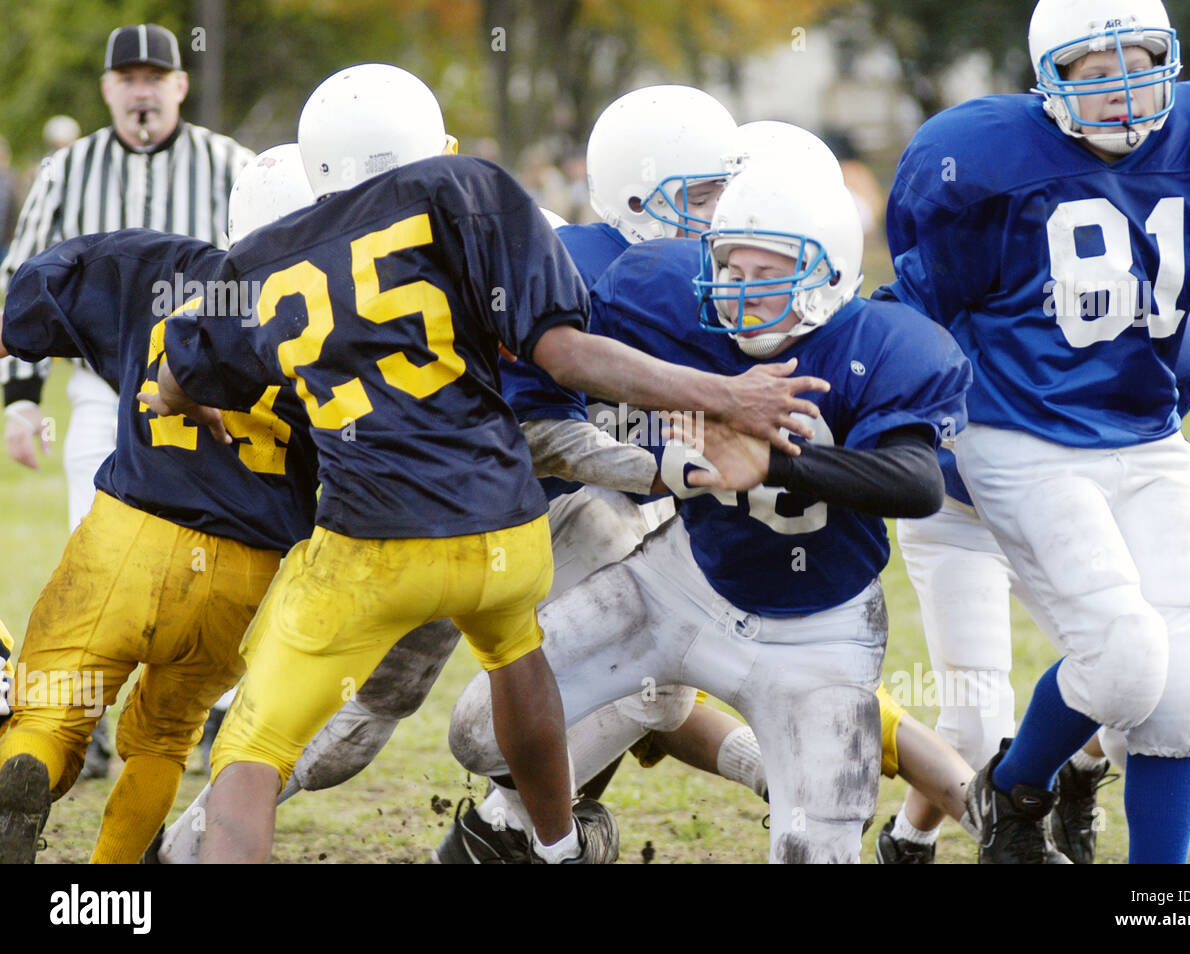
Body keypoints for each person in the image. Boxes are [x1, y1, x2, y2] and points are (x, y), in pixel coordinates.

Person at [142, 64, 830, 864]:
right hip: (500, 525)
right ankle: (558, 848)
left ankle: (184, 855)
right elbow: (565, 357)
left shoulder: (264, 255)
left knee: (253, 745)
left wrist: (180, 399)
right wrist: (722, 398)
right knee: (522, 666)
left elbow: (177, 375)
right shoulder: (471, 194)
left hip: (375, 538)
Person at [445, 157, 971, 863]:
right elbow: (553, 334)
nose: (742, 293)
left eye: (770, 273)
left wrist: (778, 460)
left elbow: (916, 483)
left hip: (822, 631)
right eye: (732, 269)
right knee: (478, 730)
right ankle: (553, 825)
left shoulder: (884, 343)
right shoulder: (660, 296)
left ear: (832, 275)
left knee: (816, 852)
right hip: (680, 583)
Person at [885, 0, 1190, 863]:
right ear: (1047, 81)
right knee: (1123, 656)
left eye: (1141, 60)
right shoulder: (977, 157)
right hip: (1013, 430)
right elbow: (925, 322)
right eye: (1094, 71)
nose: (1123, 89)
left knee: (1184, 694)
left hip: (1144, 436)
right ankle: (1013, 788)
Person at [0, 145, 318, 864]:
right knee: (167, 737)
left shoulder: (163, 267)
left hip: (133, 533)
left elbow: (50, 278)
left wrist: (18, 335)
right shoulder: (341, 312)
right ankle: (112, 884)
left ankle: (33, 766)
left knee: (53, 699)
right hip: (249, 571)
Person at [0, 23, 253, 780]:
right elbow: (24, 270)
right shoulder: (67, 168)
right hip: (99, 387)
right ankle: (91, 715)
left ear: (178, 85)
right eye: (127, 77)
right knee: (96, 545)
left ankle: (210, 711)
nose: (142, 89)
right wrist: (19, 398)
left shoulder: (227, 162)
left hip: (210, 388)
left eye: (156, 76)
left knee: (216, 555)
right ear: (108, 88)